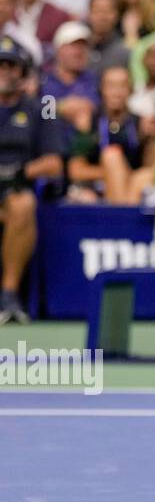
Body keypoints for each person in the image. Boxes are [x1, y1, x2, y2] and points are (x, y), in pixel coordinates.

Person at [0, 36, 64, 324]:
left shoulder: (40, 109)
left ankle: (9, 296)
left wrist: (19, 172)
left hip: (16, 190)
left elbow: (54, 162)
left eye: (11, 66)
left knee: (22, 205)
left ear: (22, 72)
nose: (5, 71)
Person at [66, 66, 150, 205]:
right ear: (102, 89)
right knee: (112, 156)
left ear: (131, 90)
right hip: (96, 189)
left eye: (122, 86)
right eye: (111, 86)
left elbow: (151, 172)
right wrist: (114, 173)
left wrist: (148, 139)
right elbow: (76, 171)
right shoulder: (88, 123)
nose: (117, 92)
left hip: (134, 192)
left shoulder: (142, 124)